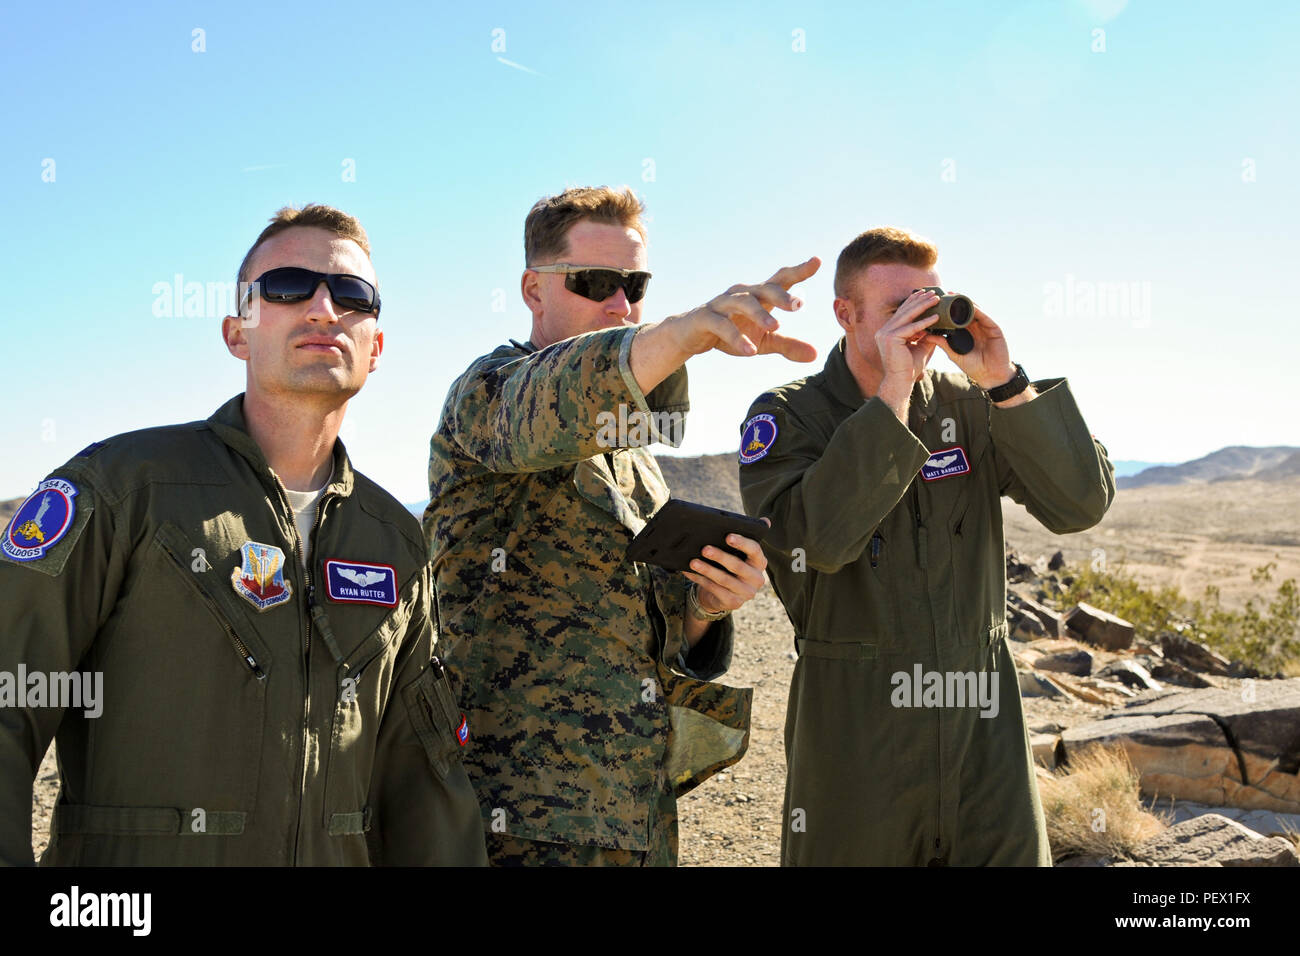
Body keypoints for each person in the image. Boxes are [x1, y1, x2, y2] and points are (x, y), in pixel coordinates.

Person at [0, 204, 487, 866]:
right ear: (237, 332)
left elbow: (423, 779)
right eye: (287, 287)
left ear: (375, 347)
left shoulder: (394, 542)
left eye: (352, 295)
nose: (323, 308)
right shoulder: (123, 491)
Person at [424, 186, 818, 865]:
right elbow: (555, 400)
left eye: (634, 285)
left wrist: (706, 604)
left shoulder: (632, 460)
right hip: (517, 822)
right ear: (533, 288)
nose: (620, 304)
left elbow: (654, 625)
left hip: (633, 813)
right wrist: (683, 333)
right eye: (595, 282)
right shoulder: (488, 395)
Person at [737, 226, 1116, 866]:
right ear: (845, 314)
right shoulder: (789, 414)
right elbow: (813, 543)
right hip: (858, 720)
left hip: (982, 719)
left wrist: (1005, 382)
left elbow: (1079, 505)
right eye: (897, 310)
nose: (919, 326)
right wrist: (892, 395)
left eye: (930, 304)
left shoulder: (970, 407)